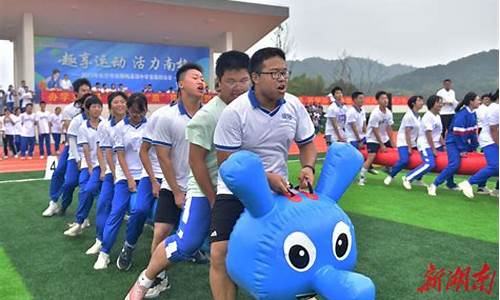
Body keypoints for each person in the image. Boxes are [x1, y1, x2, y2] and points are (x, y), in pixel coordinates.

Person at [125, 51, 250, 300]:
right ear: (219, 84)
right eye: (231, 81)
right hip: (206, 189)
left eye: (244, 80)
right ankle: (146, 279)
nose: (238, 87)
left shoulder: (251, 108)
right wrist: (214, 199)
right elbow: (196, 162)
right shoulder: (207, 116)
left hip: (242, 188)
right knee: (187, 243)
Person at [211, 47, 316, 300]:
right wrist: (264, 177)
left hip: (277, 190)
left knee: (293, 244)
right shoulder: (235, 112)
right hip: (235, 190)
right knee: (220, 252)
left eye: (284, 72)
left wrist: (307, 167)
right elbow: (227, 162)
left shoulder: (293, 105)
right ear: (255, 77)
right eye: (274, 73)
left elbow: (307, 144)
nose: (282, 79)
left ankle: (303, 293)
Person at [94, 93, 148, 270]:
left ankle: (129, 245)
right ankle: (105, 252)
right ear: (128, 111)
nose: (136, 116)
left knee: (141, 211)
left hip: (146, 177)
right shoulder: (119, 128)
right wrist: (128, 179)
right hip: (125, 178)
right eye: (133, 112)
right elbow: (120, 156)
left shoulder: (151, 126)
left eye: (140, 112)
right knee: (116, 211)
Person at [85, 92, 127, 255]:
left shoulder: (133, 123)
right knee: (103, 203)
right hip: (113, 171)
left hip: (132, 172)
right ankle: (99, 239)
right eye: (116, 102)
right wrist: (105, 170)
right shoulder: (104, 126)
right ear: (110, 106)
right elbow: (103, 151)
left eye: (123, 101)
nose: (120, 105)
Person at [42, 78, 92, 217]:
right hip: (72, 146)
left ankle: (75, 208)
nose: (87, 92)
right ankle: (53, 202)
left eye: (88, 90)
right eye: (83, 90)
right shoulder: (70, 109)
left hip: (88, 150)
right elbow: (70, 130)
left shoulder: (93, 107)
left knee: (76, 181)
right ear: (76, 93)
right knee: (58, 172)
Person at [428, 92, 481, 196]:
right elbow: (457, 135)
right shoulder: (462, 115)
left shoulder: (473, 113)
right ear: (471, 101)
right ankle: (434, 184)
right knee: (454, 164)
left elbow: (473, 133)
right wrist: (462, 150)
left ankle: (452, 183)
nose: (479, 102)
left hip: (463, 142)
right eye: (478, 99)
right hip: (453, 143)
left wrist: (474, 146)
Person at [458, 96, 498, 198]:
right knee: (495, 166)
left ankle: (496, 190)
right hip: (489, 140)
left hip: (494, 139)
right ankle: (468, 183)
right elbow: (493, 130)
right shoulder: (495, 109)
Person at [402, 95, 446, 188]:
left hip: (436, 144)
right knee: (429, 164)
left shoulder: (437, 116)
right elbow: (428, 134)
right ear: (432, 104)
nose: (441, 104)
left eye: (441, 102)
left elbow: (439, 133)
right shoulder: (428, 116)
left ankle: (450, 184)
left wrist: (444, 144)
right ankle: (408, 178)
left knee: (447, 162)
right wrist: (433, 149)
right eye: (438, 102)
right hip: (426, 145)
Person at [384, 96, 425, 185]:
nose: (422, 102)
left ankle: (418, 179)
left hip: (413, 142)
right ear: (413, 103)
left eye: (422, 100)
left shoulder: (418, 116)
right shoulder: (409, 116)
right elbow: (407, 133)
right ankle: (391, 175)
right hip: (403, 142)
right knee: (404, 160)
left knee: (422, 160)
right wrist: (410, 148)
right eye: (419, 100)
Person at [359, 91, 395, 185]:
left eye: (386, 98)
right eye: (383, 98)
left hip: (384, 137)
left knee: (393, 153)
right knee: (371, 157)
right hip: (372, 138)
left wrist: (392, 141)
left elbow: (389, 128)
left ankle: (387, 168)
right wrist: (382, 145)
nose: (385, 100)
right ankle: (362, 178)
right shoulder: (375, 113)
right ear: (378, 100)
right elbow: (375, 130)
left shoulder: (389, 113)